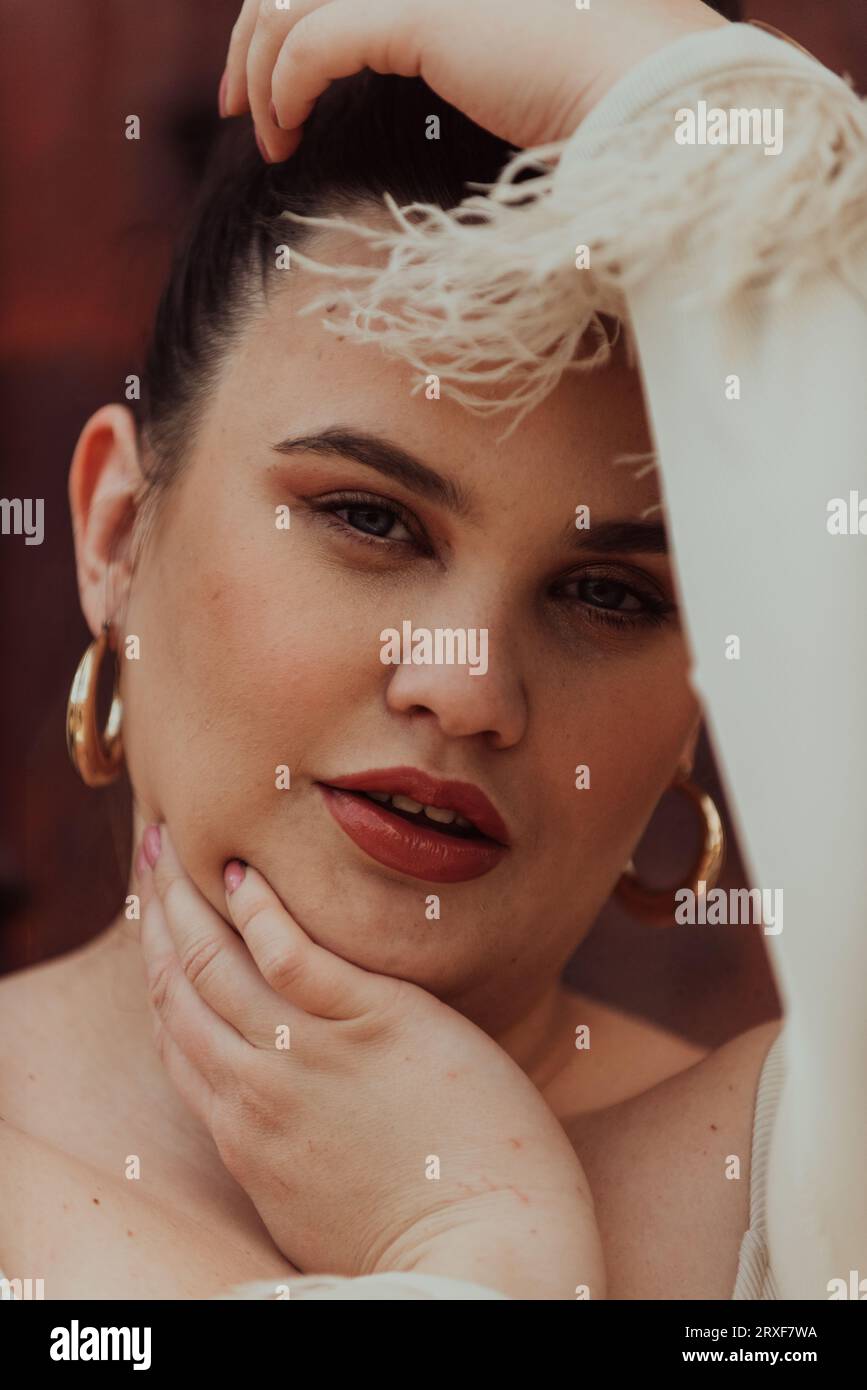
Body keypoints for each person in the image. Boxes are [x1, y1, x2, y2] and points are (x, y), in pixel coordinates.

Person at [1, 0, 864, 1301]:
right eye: (369, 517)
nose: (466, 683)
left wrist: (715, 134)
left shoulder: (803, 1181)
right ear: (120, 534)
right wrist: (488, 1262)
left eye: (610, 593)